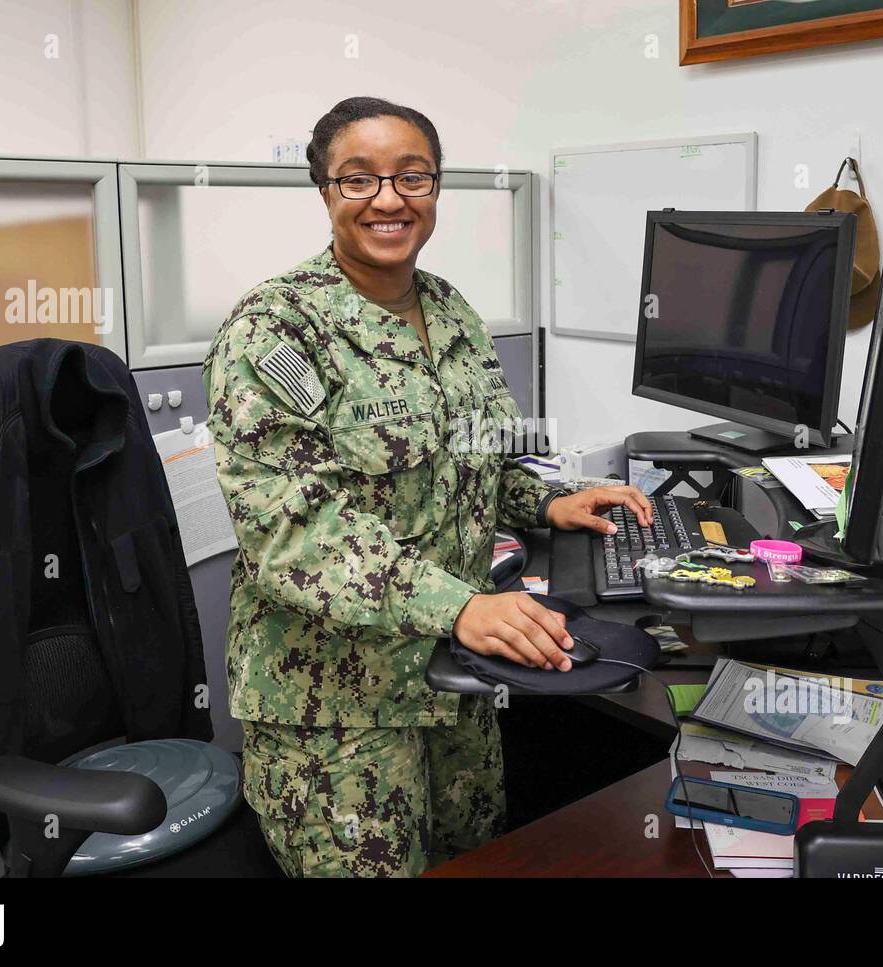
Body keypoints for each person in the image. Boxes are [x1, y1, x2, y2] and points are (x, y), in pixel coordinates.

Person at [203, 96, 652, 876]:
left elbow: (480, 456)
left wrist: (548, 500)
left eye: (412, 177)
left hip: (458, 684)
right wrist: (464, 606)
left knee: (476, 859)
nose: (389, 199)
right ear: (325, 194)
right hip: (337, 713)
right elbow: (294, 534)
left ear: (435, 189)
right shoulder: (276, 331)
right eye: (359, 179)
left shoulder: (451, 312)